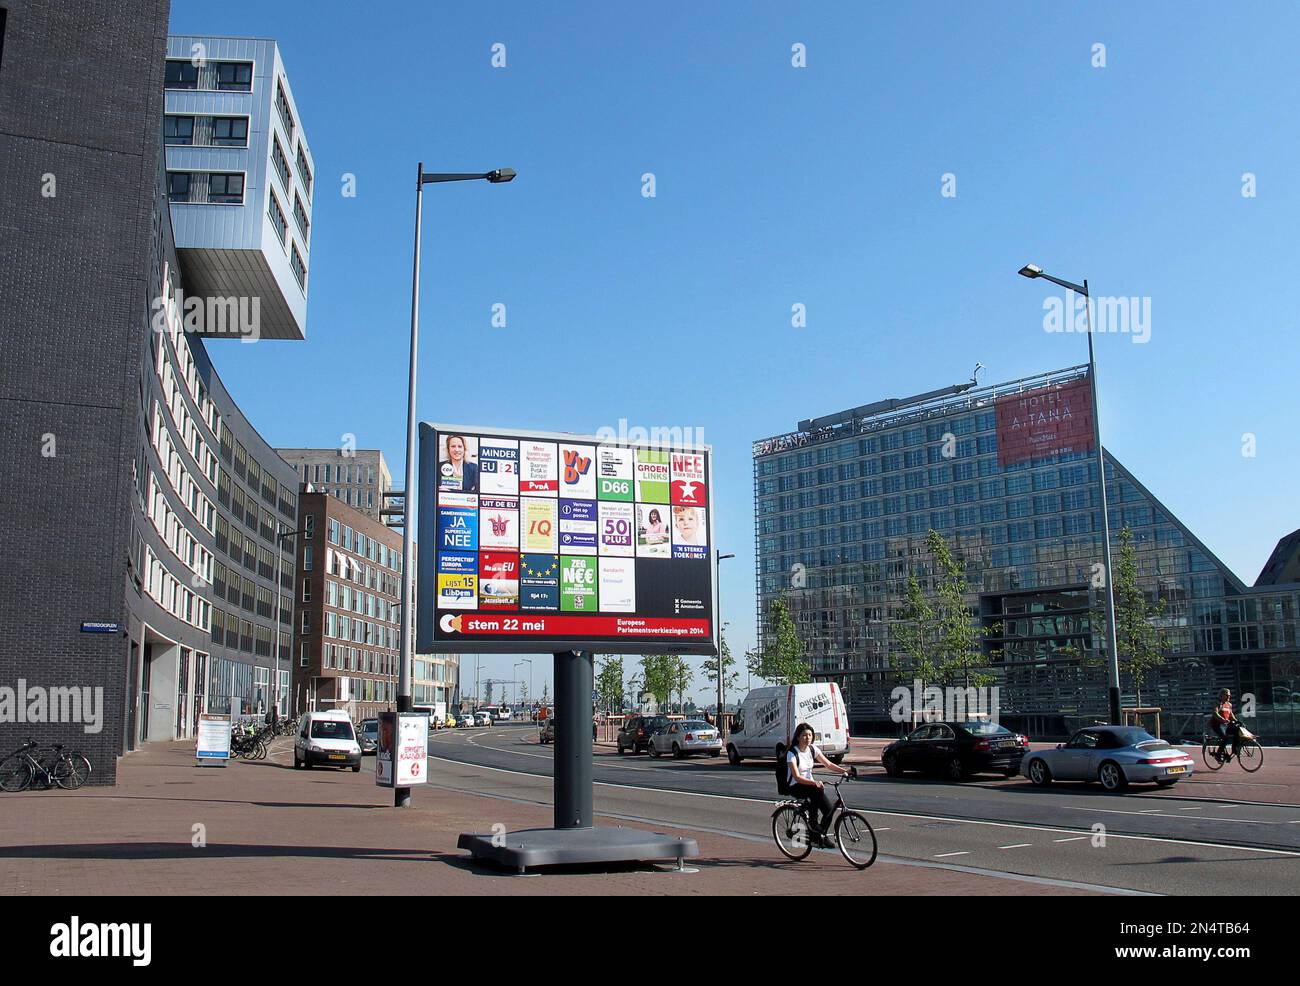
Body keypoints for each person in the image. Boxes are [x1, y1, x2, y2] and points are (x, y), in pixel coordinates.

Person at [786, 721, 849, 846]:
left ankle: (820, 837)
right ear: (798, 737)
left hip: (809, 785)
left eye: (810, 735)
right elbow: (797, 777)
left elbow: (828, 764)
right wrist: (814, 782)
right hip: (795, 786)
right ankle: (813, 823)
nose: (807, 738)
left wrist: (845, 771)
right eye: (804, 735)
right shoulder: (792, 753)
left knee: (829, 810)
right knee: (817, 789)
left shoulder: (812, 749)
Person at [1210, 688, 1242, 761]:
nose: (1228, 697)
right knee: (1225, 738)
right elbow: (1215, 713)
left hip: (1225, 725)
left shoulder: (1229, 704)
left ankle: (1234, 748)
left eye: (1229, 695)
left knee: (1237, 730)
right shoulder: (1217, 703)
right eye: (1226, 695)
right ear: (1221, 695)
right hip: (1217, 725)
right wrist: (1222, 719)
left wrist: (1237, 721)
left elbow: (1231, 715)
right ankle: (1218, 755)